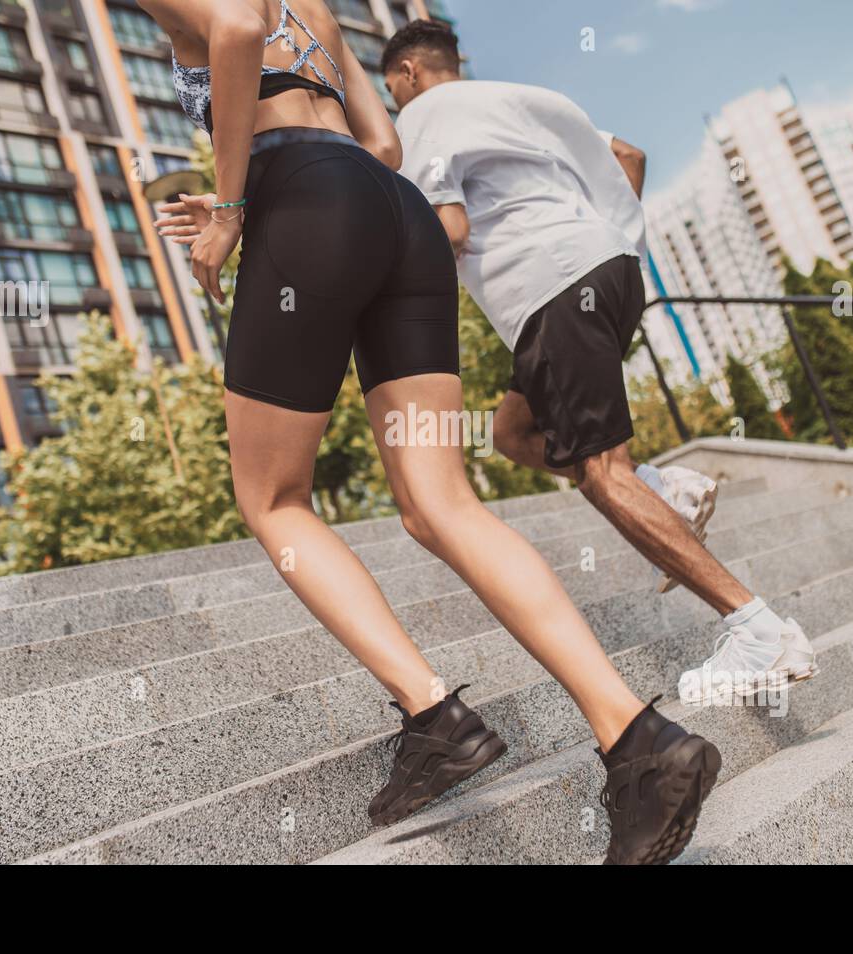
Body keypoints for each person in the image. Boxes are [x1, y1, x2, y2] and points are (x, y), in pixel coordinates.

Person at [145, 0, 718, 864]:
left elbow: (229, 29)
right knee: (439, 501)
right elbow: (381, 146)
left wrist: (233, 209)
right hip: (395, 213)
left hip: (308, 203)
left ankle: (432, 713)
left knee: (273, 499)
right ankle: (637, 741)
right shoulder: (313, 9)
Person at [380, 19, 819, 712]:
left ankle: (756, 628)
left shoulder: (424, 115)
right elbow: (630, 155)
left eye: (390, 90)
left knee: (599, 473)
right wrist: (595, 237)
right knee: (514, 433)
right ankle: (662, 488)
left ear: (406, 73)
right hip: (611, 274)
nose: (394, 103)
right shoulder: (524, 99)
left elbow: (451, 227)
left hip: (550, 287)